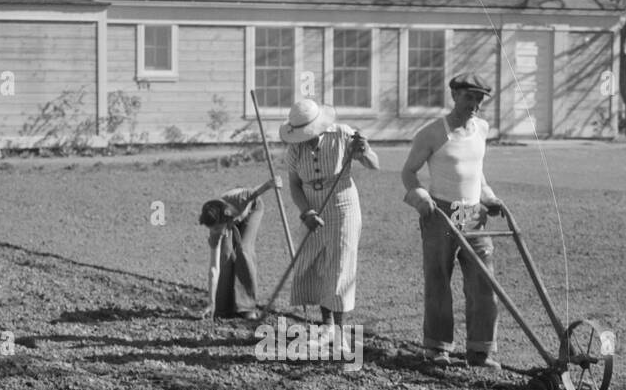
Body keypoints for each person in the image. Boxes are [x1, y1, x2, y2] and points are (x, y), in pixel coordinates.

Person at [400, 73, 507, 370]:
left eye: (479, 99)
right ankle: (437, 348)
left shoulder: (481, 129)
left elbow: (477, 171)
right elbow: (409, 172)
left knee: (483, 282)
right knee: (438, 281)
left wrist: (489, 197)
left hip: (470, 212)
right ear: (454, 96)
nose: (474, 104)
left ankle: (481, 350)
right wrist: (421, 197)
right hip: (440, 211)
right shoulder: (433, 133)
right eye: (468, 97)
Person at [280, 98, 379, 334]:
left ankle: (338, 326)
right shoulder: (295, 148)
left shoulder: (344, 134)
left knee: (340, 263)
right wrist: (306, 212)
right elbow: (294, 185)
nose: (306, 138)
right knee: (315, 261)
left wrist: (363, 151)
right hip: (312, 206)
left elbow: (374, 164)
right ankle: (326, 323)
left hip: (342, 203)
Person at [199, 175, 280, 319]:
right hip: (231, 219)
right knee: (226, 255)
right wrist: (211, 302)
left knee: (244, 250)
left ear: (224, 219)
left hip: (253, 208)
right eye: (212, 229)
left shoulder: (239, 198)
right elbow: (214, 268)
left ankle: (246, 307)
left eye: (217, 228)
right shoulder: (215, 232)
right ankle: (222, 307)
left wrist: (271, 184)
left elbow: (255, 192)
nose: (215, 232)